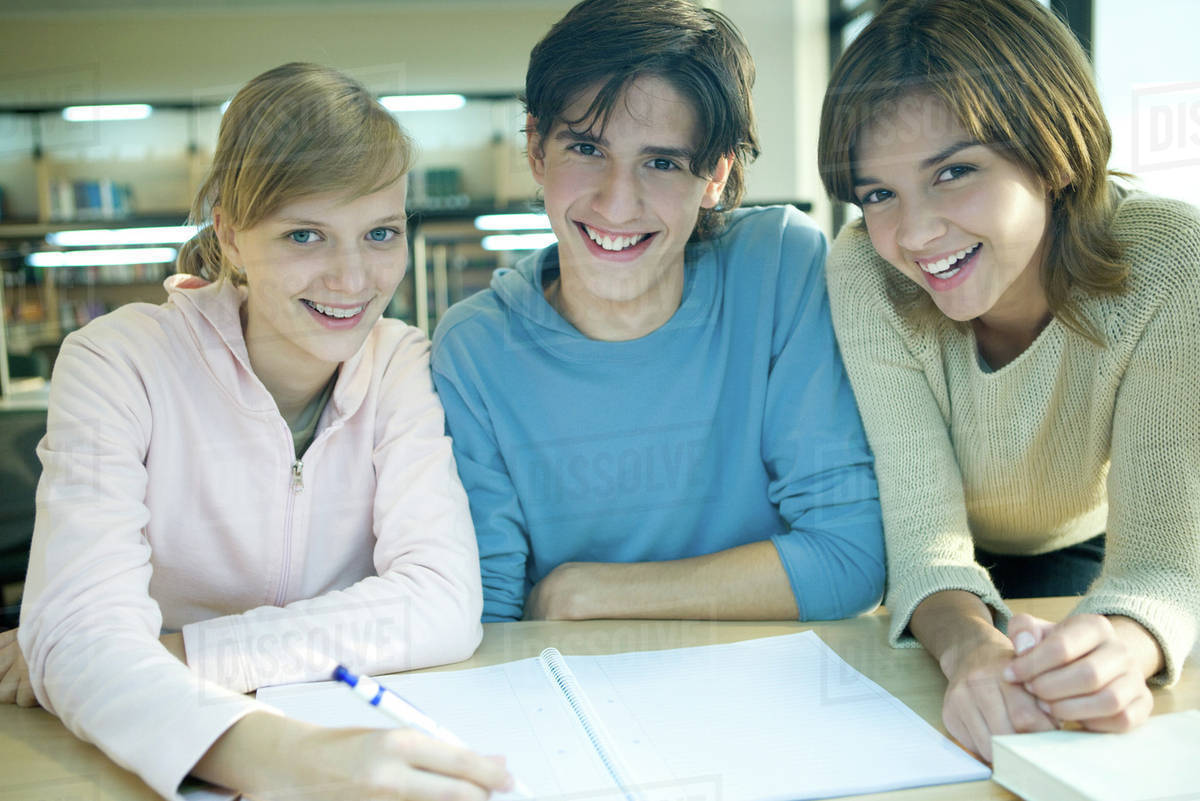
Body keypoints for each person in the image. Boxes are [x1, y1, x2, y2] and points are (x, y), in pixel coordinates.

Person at [1, 63, 512, 800]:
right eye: (306, 234)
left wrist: (180, 649)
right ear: (231, 236)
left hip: (324, 720)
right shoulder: (118, 361)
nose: (353, 277)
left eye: (380, 233)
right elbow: (78, 634)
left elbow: (440, 603)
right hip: (153, 757)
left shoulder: (401, 362)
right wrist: (276, 754)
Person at [817, 0, 1200, 762]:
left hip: (1082, 547)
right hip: (931, 578)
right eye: (877, 194)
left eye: (954, 172)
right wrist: (969, 651)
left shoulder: (1170, 259)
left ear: (1054, 154)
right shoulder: (864, 269)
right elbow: (926, 537)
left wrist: (1124, 649)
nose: (914, 234)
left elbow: (1160, 561)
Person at [432, 0, 885, 623]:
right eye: (587, 149)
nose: (618, 205)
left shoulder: (777, 267)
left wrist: (580, 593)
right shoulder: (475, 348)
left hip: (778, 690)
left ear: (715, 175)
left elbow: (850, 559)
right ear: (537, 149)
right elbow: (489, 620)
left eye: (663, 162)